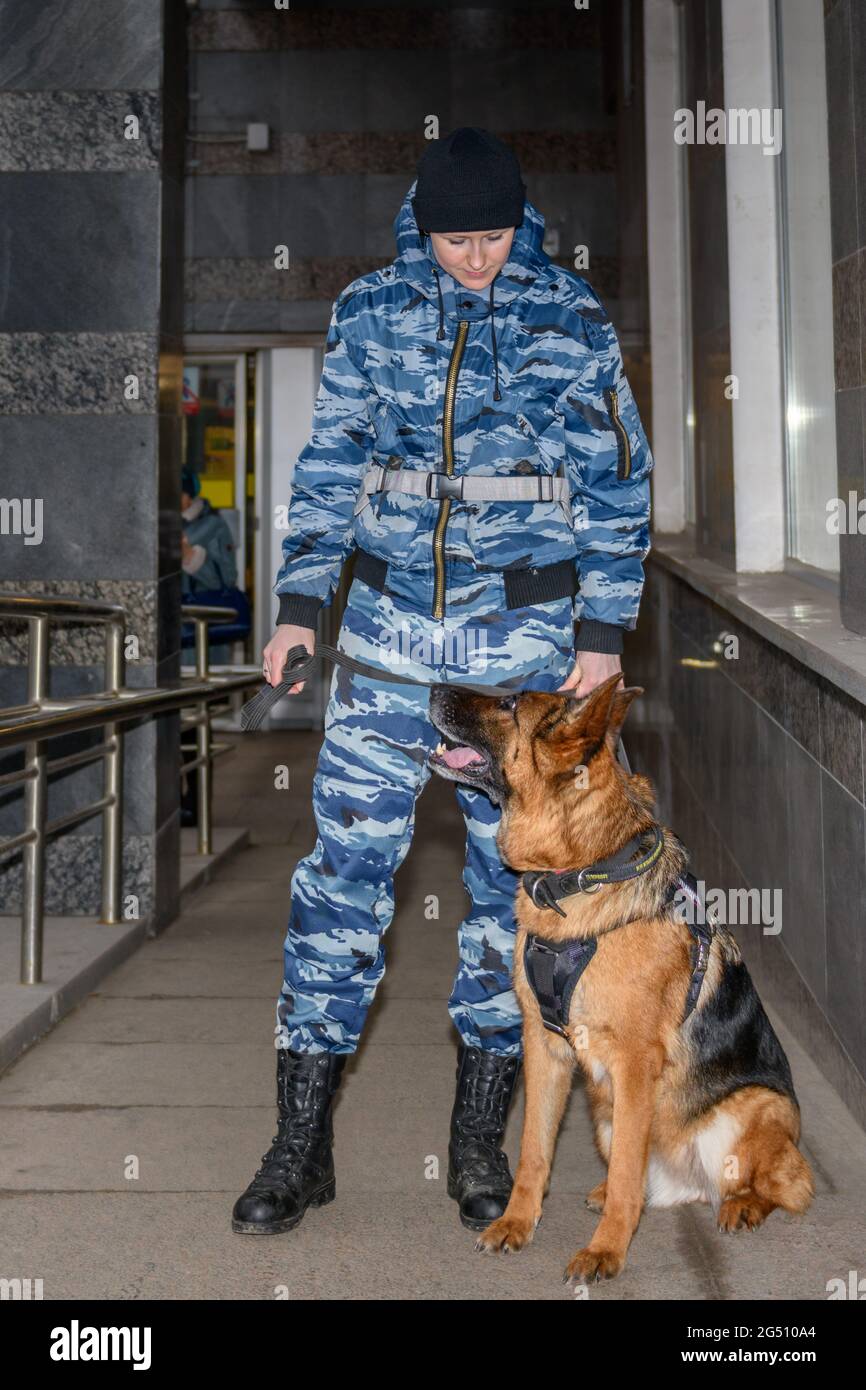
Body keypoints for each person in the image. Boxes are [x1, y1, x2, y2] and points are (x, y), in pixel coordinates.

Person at [231, 128, 653, 1237]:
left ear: (523, 220)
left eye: (494, 234)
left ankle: (477, 1143)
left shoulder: (567, 315)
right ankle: (299, 1144)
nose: (475, 256)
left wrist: (602, 633)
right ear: (420, 225)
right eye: (456, 236)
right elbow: (328, 460)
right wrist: (295, 607)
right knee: (340, 888)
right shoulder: (369, 310)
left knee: (497, 904)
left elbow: (614, 481)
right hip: (381, 649)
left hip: (516, 658)